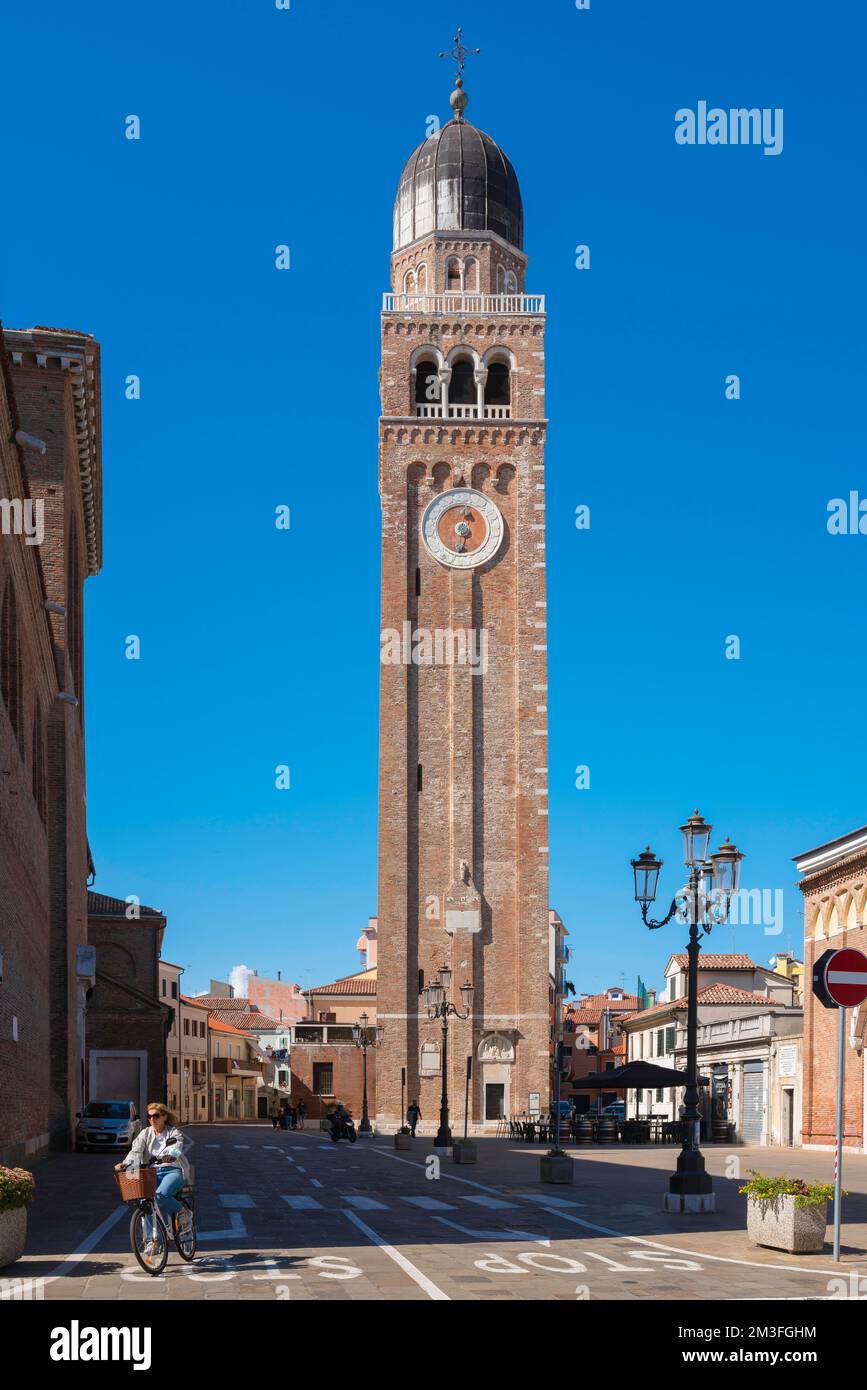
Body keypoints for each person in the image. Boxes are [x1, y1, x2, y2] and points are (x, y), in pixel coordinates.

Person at [116, 1102, 191, 1245]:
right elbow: (136, 1151)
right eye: (149, 1116)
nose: (152, 1119)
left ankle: (184, 1212)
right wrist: (125, 1163)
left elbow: (177, 1146)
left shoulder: (173, 1132)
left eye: (156, 1116)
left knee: (161, 1194)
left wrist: (171, 1155)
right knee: (145, 1202)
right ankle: (152, 1240)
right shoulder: (145, 1133)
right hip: (152, 1172)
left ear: (164, 1116)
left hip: (173, 1170)